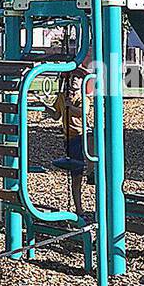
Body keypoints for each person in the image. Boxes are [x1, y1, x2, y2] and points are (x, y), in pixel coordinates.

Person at [45, 73, 88, 218]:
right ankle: (78, 208)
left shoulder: (82, 98)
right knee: (73, 174)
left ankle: (80, 209)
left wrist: (70, 106)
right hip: (68, 138)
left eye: (78, 77)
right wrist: (46, 107)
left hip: (79, 138)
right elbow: (57, 115)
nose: (75, 80)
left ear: (82, 82)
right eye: (72, 77)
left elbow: (84, 113)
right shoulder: (62, 97)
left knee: (78, 175)